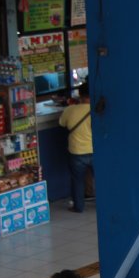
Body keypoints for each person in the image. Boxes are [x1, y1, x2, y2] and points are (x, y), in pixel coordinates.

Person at [58, 81, 93, 213]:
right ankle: (104, 205)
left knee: (77, 180)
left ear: (80, 95)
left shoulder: (70, 110)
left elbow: (62, 124)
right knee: (101, 179)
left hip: (77, 151)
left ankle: (78, 206)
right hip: (95, 150)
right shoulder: (97, 109)